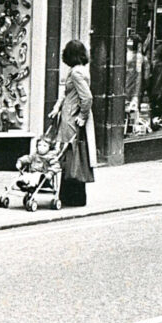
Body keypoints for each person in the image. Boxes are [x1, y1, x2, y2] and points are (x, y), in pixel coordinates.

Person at [50, 39, 95, 206]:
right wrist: (56, 108)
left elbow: (87, 97)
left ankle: (71, 196)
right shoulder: (80, 70)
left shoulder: (76, 73)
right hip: (72, 115)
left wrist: (82, 117)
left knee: (70, 154)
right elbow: (67, 94)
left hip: (72, 118)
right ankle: (74, 195)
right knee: (74, 155)